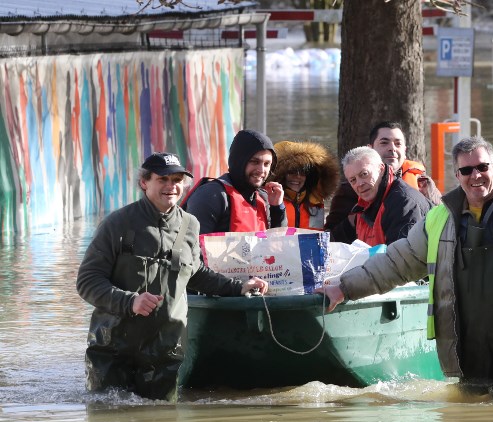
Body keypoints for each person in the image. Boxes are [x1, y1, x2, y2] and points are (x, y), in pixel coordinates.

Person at [319, 137, 493, 393]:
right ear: (457, 175)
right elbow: (395, 263)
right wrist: (344, 287)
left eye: (482, 167)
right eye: (467, 170)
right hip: (466, 345)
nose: (476, 175)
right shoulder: (439, 218)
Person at [76, 152, 269, 401]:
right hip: (114, 349)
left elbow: (196, 273)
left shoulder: (190, 224)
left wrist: (240, 287)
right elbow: (87, 281)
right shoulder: (117, 223)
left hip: (166, 349)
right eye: (163, 179)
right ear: (144, 182)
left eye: (177, 179)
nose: (171, 186)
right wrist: (130, 301)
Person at [324, 121, 441, 231]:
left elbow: (442, 223)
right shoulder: (351, 189)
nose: (392, 148)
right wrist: (355, 221)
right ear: (370, 149)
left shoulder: (423, 184)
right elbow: (328, 237)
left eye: (398, 144)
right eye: (384, 143)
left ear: (405, 151)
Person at [183, 130, 287, 234]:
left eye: (267, 164)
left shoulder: (264, 198)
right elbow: (192, 244)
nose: (261, 170)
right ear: (239, 161)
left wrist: (277, 209)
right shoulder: (211, 195)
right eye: (255, 162)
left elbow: (277, 244)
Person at [328, 146, 432, 246]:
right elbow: (333, 242)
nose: (359, 184)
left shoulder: (404, 204)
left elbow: (401, 259)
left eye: (364, 174)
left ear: (381, 169)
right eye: (353, 180)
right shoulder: (363, 206)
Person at [268, 140, 340, 230]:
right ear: (280, 175)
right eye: (291, 172)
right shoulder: (271, 200)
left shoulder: (316, 200)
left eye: (302, 173)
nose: (297, 177)